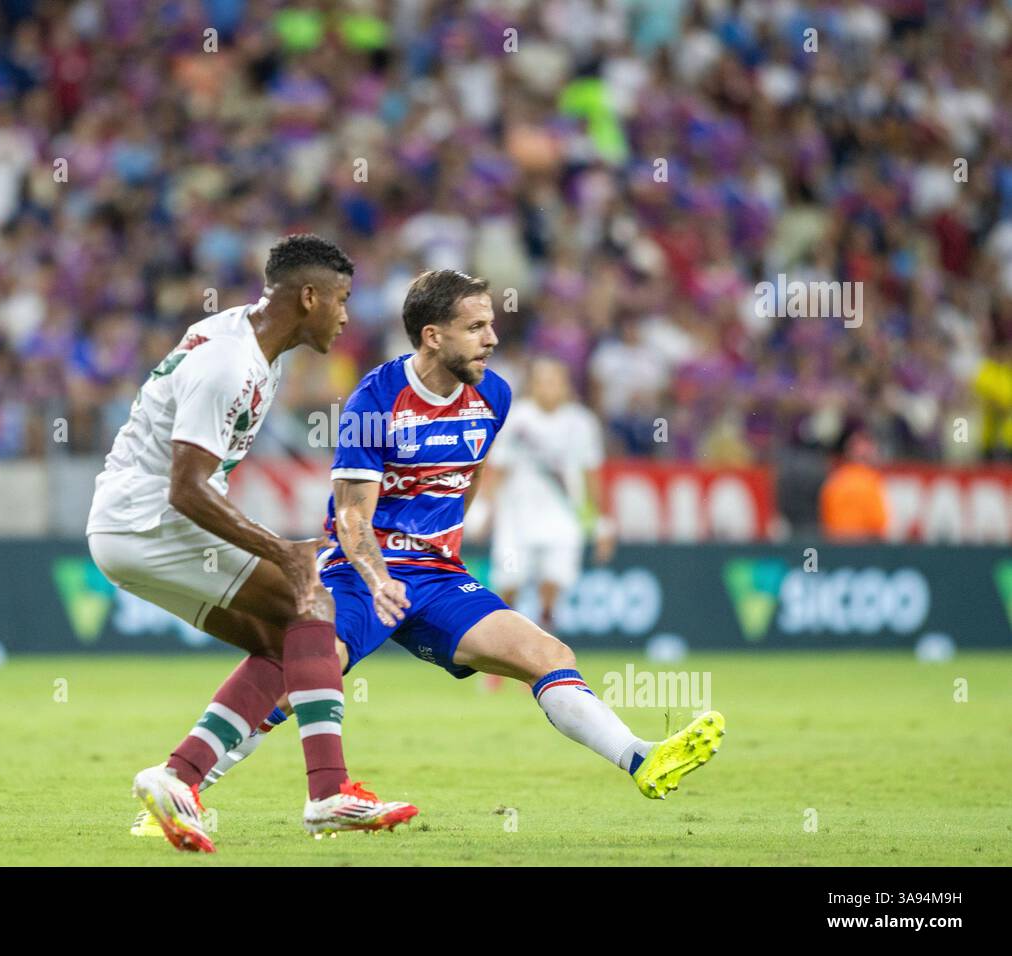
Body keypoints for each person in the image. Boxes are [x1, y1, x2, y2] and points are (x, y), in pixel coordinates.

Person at [151, 270, 725, 822]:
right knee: (305, 668)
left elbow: (470, 472)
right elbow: (352, 515)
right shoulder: (375, 401)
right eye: (476, 327)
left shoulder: (492, 396)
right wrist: (378, 579)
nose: (492, 339)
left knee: (549, 657)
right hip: (362, 571)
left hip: (437, 575)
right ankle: (183, 786)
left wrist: (448, 540)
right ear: (433, 336)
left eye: (491, 325)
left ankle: (642, 759)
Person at [86, 234, 416, 853]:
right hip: (148, 518)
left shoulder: (252, 345)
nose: (347, 315)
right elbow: (186, 489)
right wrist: (281, 551)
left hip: (125, 527)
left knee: (282, 645)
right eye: (342, 299)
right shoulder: (230, 365)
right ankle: (328, 795)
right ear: (309, 296)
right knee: (308, 599)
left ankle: (177, 778)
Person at [483, 355, 615, 632]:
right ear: (532, 385)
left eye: (554, 382)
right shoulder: (516, 418)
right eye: (542, 382)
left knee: (552, 584)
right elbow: (498, 466)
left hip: (563, 516)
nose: (548, 388)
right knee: (509, 584)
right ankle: (499, 651)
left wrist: (602, 522)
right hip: (517, 516)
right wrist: (484, 509)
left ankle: (538, 655)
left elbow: (591, 474)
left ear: (565, 386)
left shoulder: (581, 423)